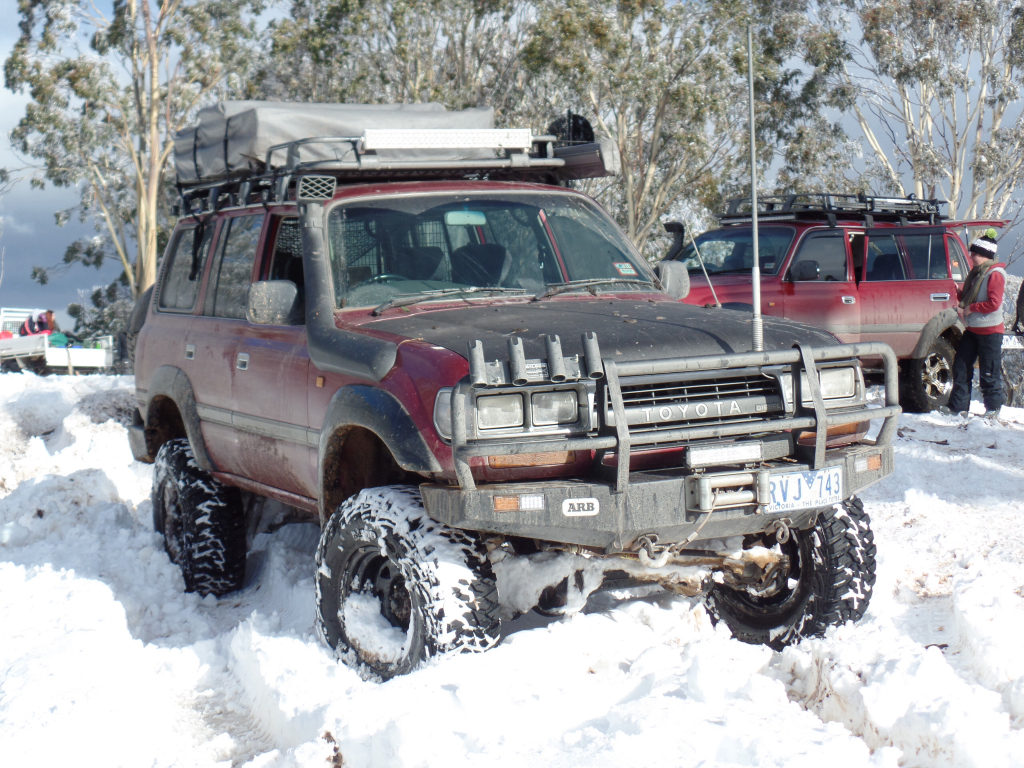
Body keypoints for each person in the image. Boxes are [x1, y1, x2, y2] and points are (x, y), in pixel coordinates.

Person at [942, 229, 1007, 419]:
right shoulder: (977, 273)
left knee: (989, 371)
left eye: (975, 253)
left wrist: (972, 308)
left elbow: (994, 303)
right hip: (972, 329)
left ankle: (993, 409)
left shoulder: (995, 274)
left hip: (990, 331)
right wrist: (957, 292)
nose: (971, 256)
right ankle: (958, 408)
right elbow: (971, 297)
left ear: (985, 255)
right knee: (961, 367)